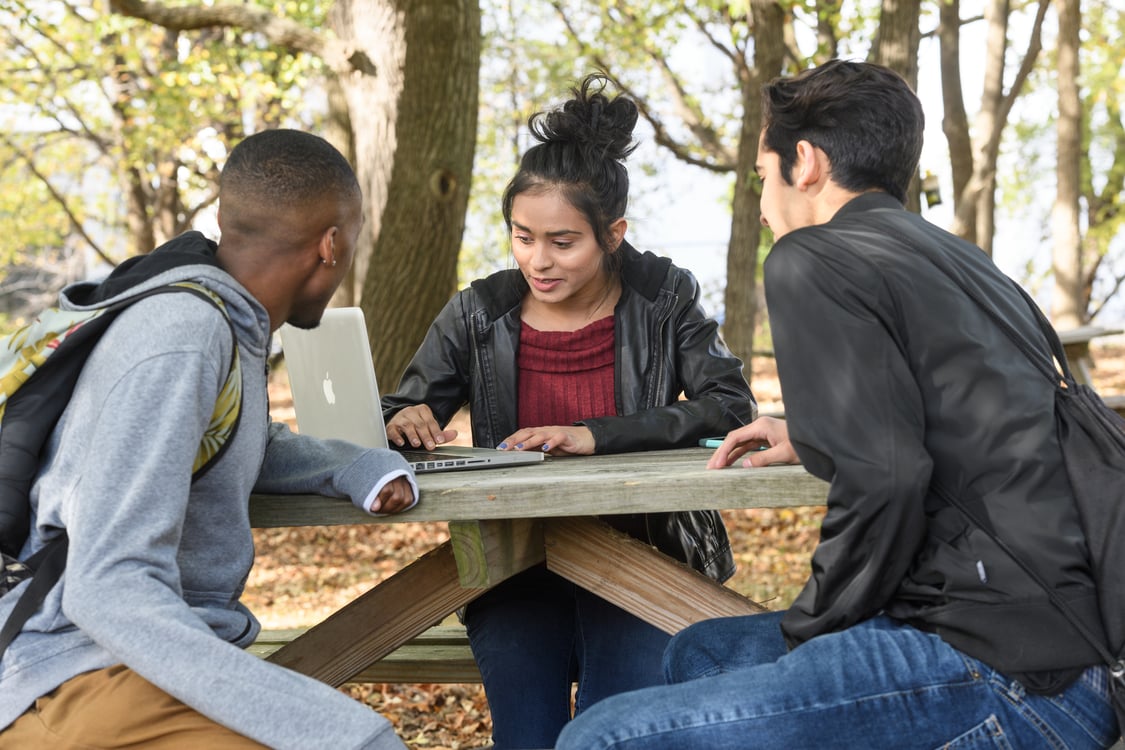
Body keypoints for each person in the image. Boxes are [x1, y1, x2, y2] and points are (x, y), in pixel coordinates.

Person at [555, 59, 1121, 749]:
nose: (761, 205)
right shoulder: (963, 262)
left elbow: (885, 477)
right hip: (1079, 653)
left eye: (761, 176)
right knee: (699, 653)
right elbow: (961, 415)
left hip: (1003, 673)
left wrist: (811, 631)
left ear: (806, 161)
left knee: (600, 737)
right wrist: (814, 430)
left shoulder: (812, 256)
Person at [0, 129, 417, 749]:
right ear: (331, 244)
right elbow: (108, 586)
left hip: (125, 663)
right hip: (71, 676)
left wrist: (356, 468)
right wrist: (342, 734)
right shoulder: (184, 334)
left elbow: (240, 438)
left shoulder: (221, 319)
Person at [381, 74, 756, 749]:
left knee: (615, 736)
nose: (537, 261)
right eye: (522, 237)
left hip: (648, 559)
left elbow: (729, 406)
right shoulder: (477, 311)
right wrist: (401, 417)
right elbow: (407, 402)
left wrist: (595, 435)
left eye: (562, 242)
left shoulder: (664, 297)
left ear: (612, 233)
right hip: (514, 571)